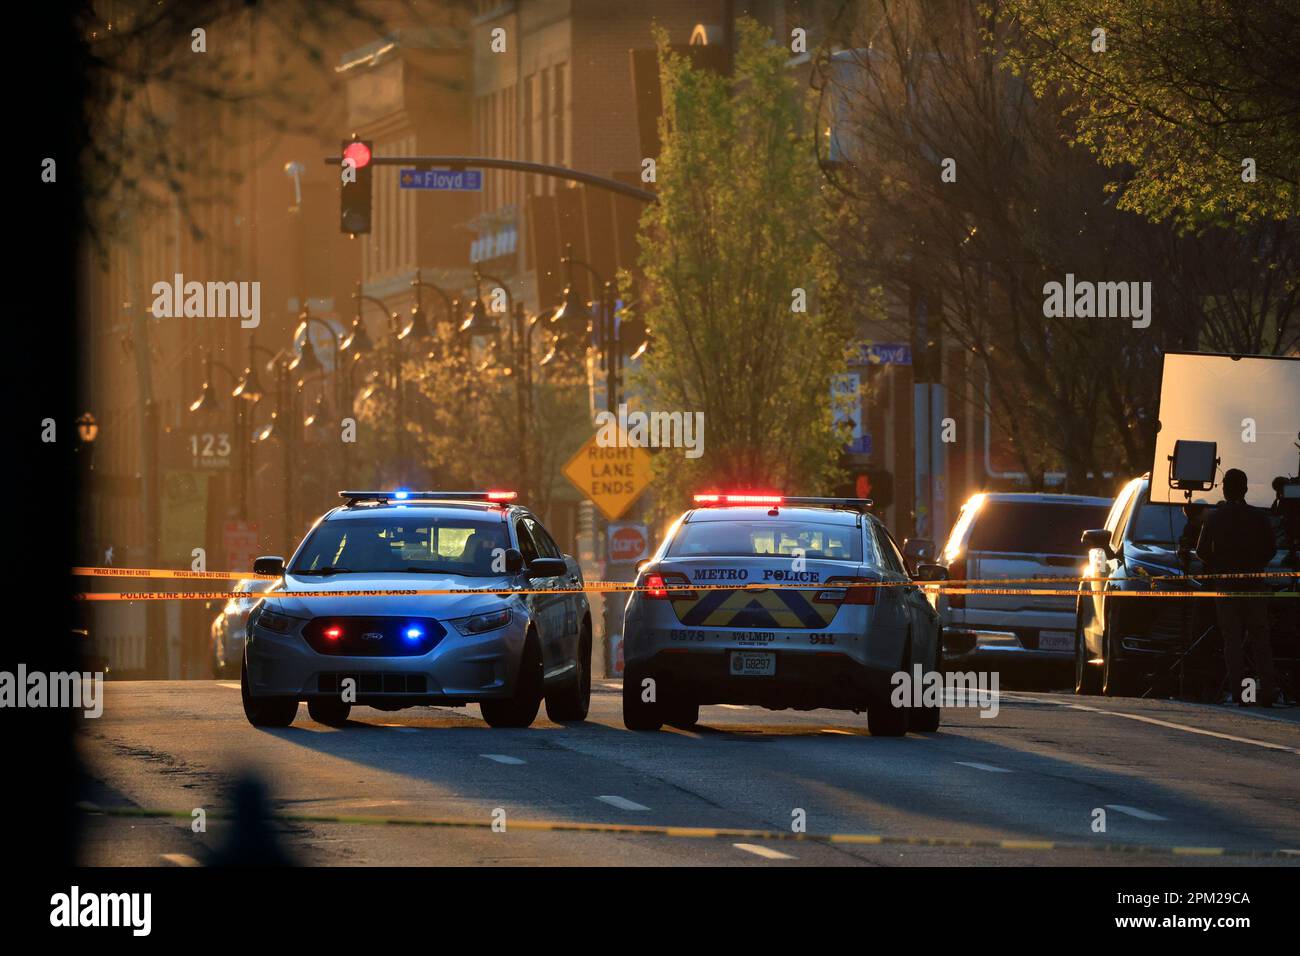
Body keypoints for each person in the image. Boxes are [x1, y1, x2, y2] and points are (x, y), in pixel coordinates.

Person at [1195, 469, 1277, 706]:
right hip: (1253, 584)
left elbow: (1201, 551)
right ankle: (1268, 690)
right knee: (1260, 637)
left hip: (1226, 584)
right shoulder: (1259, 518)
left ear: (1224, 489)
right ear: (1246, 489)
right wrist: (1257, 564)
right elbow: (1271, 548)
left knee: (1232, 639)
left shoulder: (1215, 518)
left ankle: (1240, 692)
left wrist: (1219, 565)